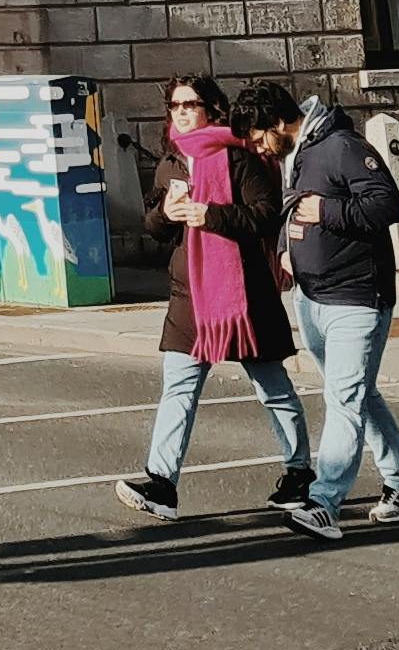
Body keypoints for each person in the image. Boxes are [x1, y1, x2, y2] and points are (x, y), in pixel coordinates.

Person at [236, 81, 399, 542]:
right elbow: (292, 208)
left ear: (280, 122)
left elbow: (387, 204)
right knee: (359, 394)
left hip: (357, 298)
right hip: (313, 297)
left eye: (260, 136)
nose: (259, 146)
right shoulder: (299, 152)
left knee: (344, 400)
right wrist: (285, 248)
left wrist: (327, 210)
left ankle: (323, 503)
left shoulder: (340, 146)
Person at [115, 75, 310, 522]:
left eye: (191, 104)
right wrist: (164, 215)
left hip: (242, 295)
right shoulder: (170, 162)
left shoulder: (239, 156)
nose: (181, 112)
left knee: (271, 387)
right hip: (190, 295)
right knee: (178, 387)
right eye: (175, 105)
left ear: (213, 109)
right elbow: (155, 225)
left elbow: (266, 215)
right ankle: (162, 483)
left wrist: (213, 215)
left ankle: (299, 472)